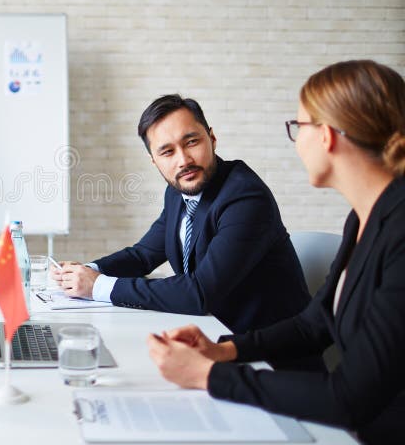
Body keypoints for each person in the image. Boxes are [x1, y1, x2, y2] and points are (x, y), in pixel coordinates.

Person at [147, 60, 405, 444]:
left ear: (328, 137)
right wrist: (225, 350)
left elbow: (350, 398)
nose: (296, 139)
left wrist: (206, 376)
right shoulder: (362, 217)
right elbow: (314, 323)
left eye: (298, 127)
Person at [51, 94, 312, 335]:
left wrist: (97, 286)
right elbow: (143, 255)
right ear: (155, 161)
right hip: (210, 337)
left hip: (264, 356)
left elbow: (199, 293)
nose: (183, 160)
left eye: (191, 142)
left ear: (212, 138)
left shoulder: (245, 197)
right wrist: (86, 271)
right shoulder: (178, 191)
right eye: (167, 151)